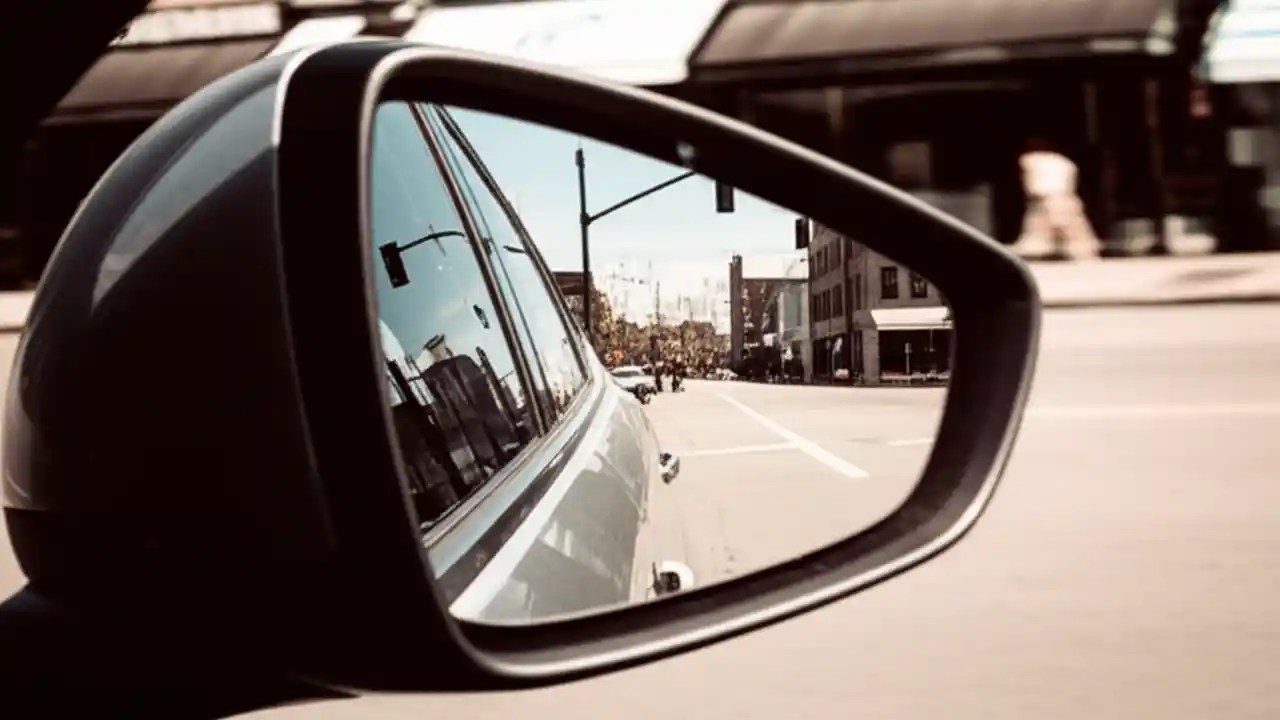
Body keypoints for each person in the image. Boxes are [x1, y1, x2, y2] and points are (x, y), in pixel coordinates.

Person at [1012, 137, 1102, 261]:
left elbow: (1032, 184)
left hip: (1050, 196)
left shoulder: (1030, 160)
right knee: (1043, 232)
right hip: (1064, 197)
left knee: (1069, 231)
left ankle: (1085, 256)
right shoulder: (1065, 162)